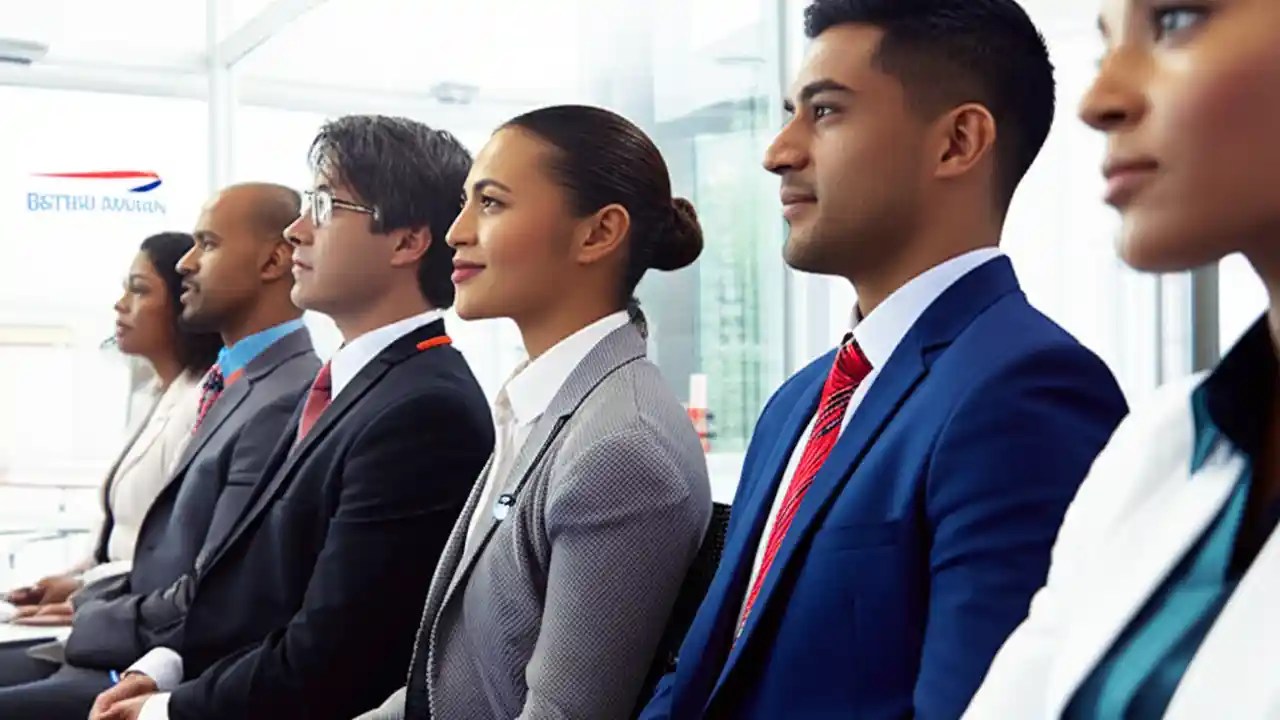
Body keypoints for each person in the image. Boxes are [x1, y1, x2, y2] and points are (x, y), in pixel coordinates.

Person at [639, 1, 1131, 718]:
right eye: (788, 113)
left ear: (958, 142)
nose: (779, 151)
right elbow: (703, 672)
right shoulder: (797, 403)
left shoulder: (1027, 390)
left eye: (827, 112)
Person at [85, 115, 493, 720]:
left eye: (325, 206)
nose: (298, 231)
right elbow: (254, 590)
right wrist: (164, 665)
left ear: (408, 242)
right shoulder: (347, 385)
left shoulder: (424, 410)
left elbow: (329, 660)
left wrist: (165, 709)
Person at [964, 1, 1280, 717]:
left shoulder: (1033, 388)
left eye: (1174, 21)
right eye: (1108, 41)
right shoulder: (1157, 445)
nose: (1099, 101)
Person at [359, 104, 713, 720]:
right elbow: (451, 685)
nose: (456, 231)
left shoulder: (620, 445)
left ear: (598, 233)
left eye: (490, 203)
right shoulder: (543, 406)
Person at [0, 183, 320, 716]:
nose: (188, 264)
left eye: (208, 244)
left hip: (167, 666)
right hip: (134, 644)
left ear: (273, 259)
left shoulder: (283, 397)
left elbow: (214, 591)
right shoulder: (232, 383)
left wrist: (85, 614)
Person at [5, 232, 221, 626]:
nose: (120, 305)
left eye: (139, 291)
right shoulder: (150, 396)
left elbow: (167, 555)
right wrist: (72, 580)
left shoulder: (203, 402)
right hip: (104, 600)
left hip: (131, 616)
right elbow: (115, 536)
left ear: (182, 303)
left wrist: (83, 597)